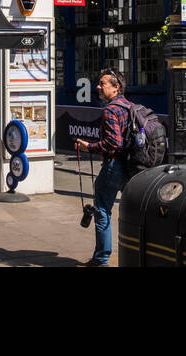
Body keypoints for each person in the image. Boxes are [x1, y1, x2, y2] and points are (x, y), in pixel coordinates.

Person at [73, 67, 135, 267]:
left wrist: (89, 146)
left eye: (103, 84)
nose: (98, 87)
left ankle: (101, 259)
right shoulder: (129, 106)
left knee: (102, 210)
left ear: (116, 87)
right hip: (131, 166)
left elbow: (114, 143)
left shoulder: (110, 110)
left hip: (113, 166)